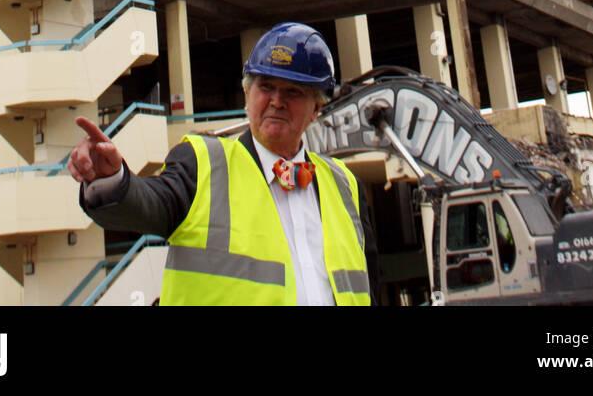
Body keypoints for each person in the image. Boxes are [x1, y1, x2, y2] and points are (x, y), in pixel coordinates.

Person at [69, 21, 377, 305]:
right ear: (246, 93)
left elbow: (367, 288)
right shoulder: (205, 163)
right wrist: (112, 180)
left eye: (293, 91)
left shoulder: (345, 186)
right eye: (266, 87)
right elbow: (148, 204)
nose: (276, 101)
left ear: (316, 109)